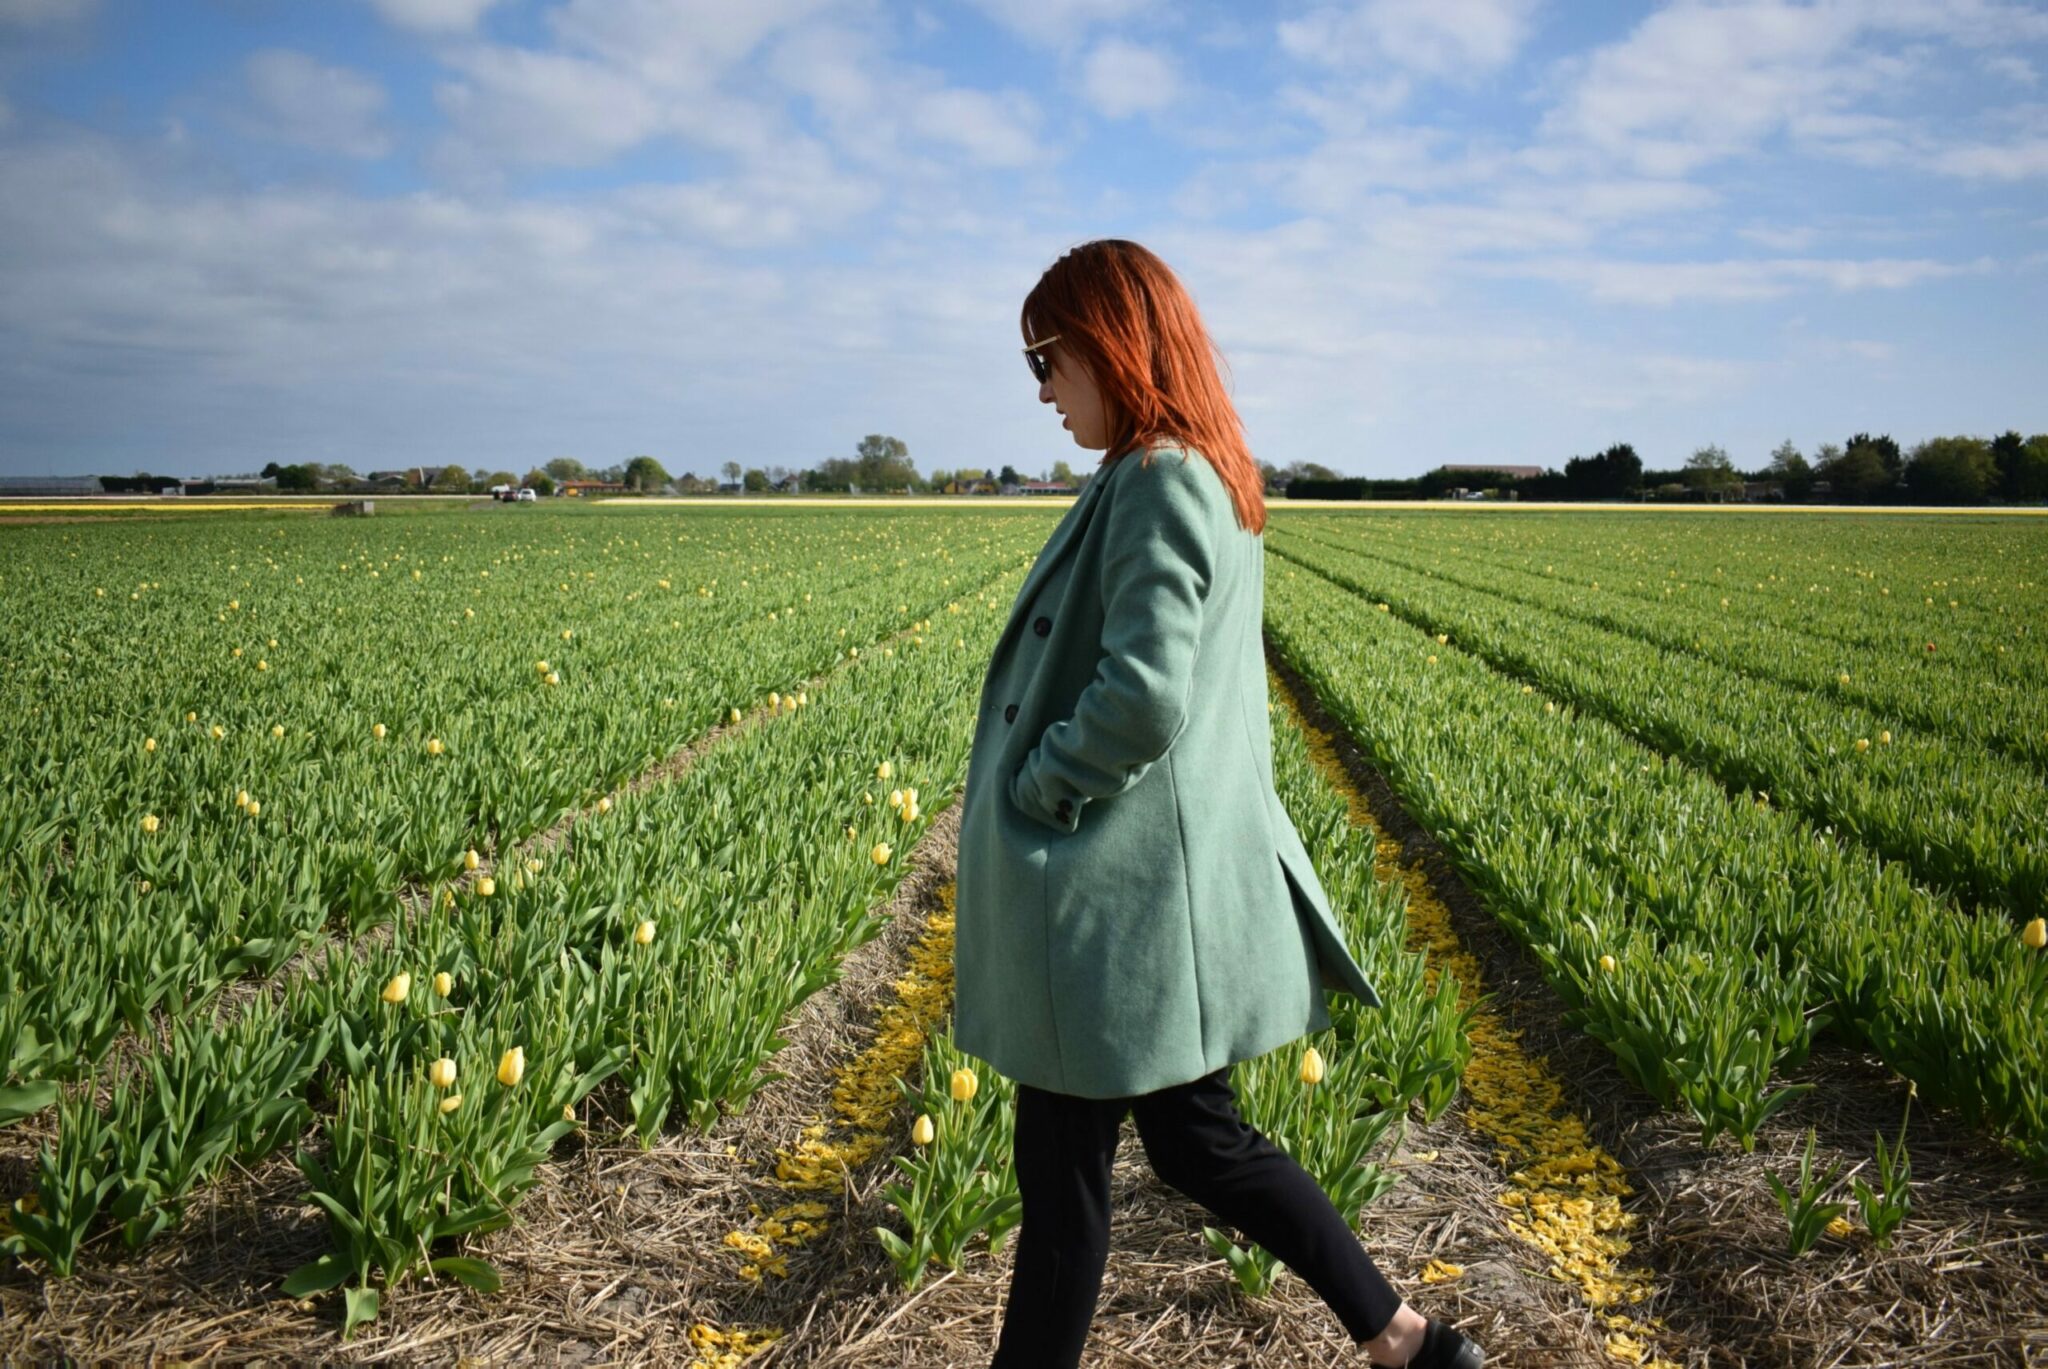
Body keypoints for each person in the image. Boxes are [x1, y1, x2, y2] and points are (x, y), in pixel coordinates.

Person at [951, 238, 1486, 1369]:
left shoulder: (1156, 480)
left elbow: (1143, 695)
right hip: (1142, 901)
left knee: (1064, 1184)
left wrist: (1039, 783)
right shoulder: (1188, 469)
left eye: (1047, 357)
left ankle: (1406, 1342)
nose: (1040, 389)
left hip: (1105, 896)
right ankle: (1407, 1342)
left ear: (1112, 343)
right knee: (1198, 1145)